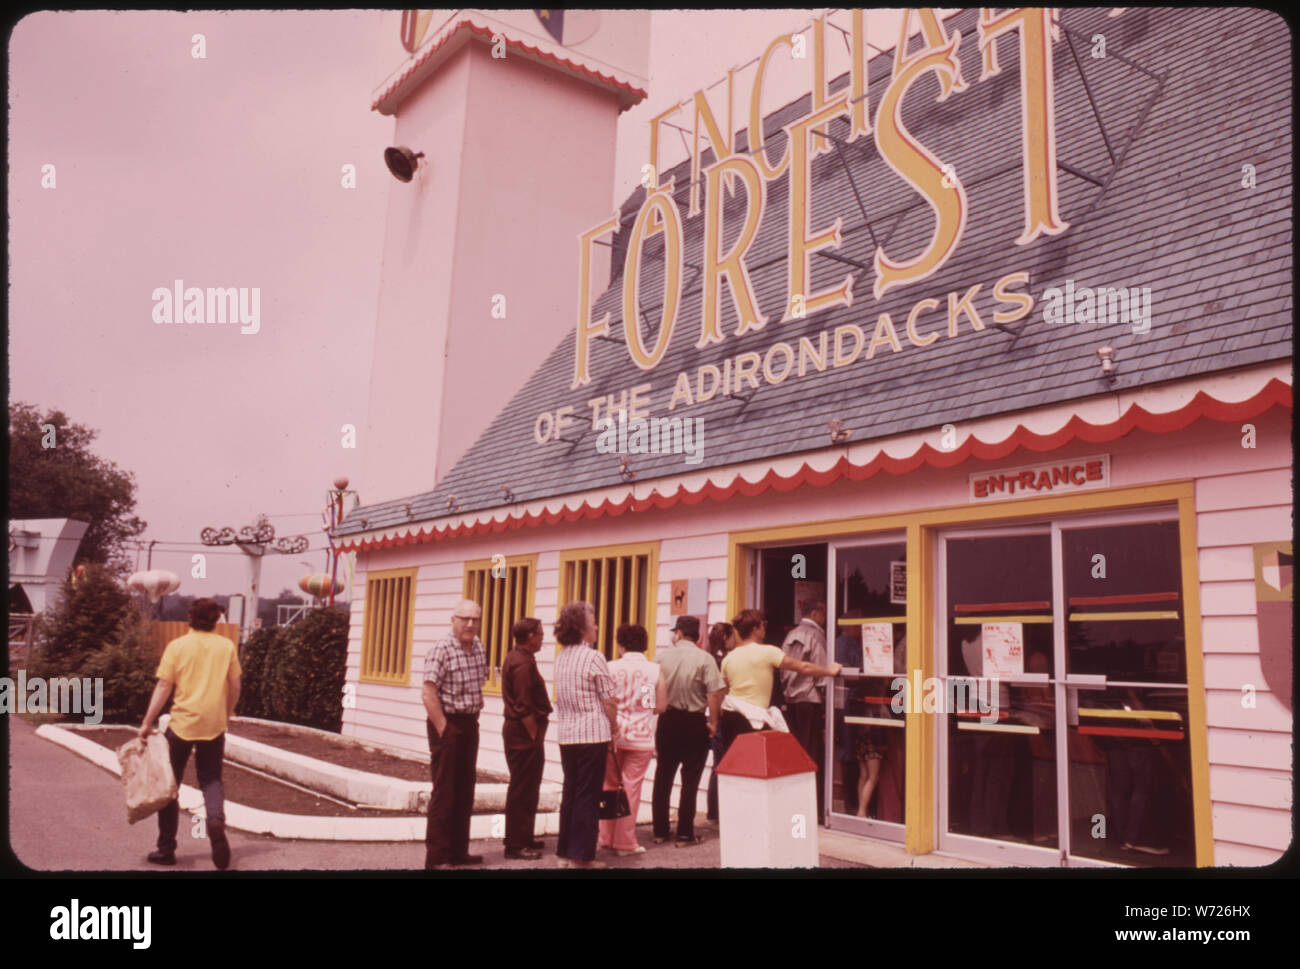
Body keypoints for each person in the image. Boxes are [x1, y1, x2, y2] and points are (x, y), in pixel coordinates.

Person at [138, 598, 242, 870]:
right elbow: (235, 686)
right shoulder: (226, 647)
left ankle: (166, 850)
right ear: (216, 619)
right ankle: (216, 821)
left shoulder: (178, 646)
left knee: (170, 785)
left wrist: (147, 722)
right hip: (214, 725)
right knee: (211, 779)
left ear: (190, 617)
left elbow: (163, 687)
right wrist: (227, 714)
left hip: (182, 724)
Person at [422, 599, 488, 869]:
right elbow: (428, 692)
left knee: (465, 790)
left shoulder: (478, 646)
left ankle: (459, 851)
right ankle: (437, 857)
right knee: (445, 791)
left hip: (469, 724)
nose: (470, 624)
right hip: (447, 725)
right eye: (464, 619)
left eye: (475, 619)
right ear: (453, 620)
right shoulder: (441, 649)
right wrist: (444, 730)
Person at [719, 608, 841, 755]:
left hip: (731, 716)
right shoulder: (768, 652)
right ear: (754, 629)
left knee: (734, 764)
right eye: (763, 624)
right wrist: (829, 671)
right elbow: (803, 667)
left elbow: (722, 692)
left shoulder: (729, 658)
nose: (765, 627)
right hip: (754, 719)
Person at [553, 601, 619, 869]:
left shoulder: (561, 657)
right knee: (587, 796)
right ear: (582, 627)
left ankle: (564, 853)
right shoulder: (594, 657)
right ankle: (582, 857)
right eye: (592, 621)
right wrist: (614, 727)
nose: (596, 626)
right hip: (592, 733)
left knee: (571, 792)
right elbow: (609, 700)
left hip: (567, 734)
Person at [653, 615, 725, 846]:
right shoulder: (705, 659)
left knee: (663, 775)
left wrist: (651, 714)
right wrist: (713, 723)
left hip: (667, 720)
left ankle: (660, 830)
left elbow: (648, 689)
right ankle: (685, 833)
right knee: (690, 779)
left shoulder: (660, 657)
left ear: (679, 634)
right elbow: (713, 694)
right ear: (699, 636)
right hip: (694, 721)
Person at [598, 623, 667, 856]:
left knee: (608, 785)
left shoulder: (609, 667)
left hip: (613, 735)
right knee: (631, 788)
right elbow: (658, 706)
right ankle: (625, 842)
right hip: (640, 737)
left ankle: (606, 837)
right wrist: (640, 709)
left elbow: (605, 700)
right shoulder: (652, 670)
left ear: (621, 644)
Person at [500, 617, 551, 860]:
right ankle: (515, 845)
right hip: (523, 734)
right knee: (522, 788)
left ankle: (523, 836)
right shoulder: (521, 663)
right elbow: (523, 706)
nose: (543, 639)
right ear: (530, 637)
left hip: (523, 733)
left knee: (529, 787)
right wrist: (533, 736)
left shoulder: (521, 657)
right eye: (540, 634)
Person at [780, 598, 829, 816]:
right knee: (811, 753)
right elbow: (820, 669)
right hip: (810, 699)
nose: (826, 618)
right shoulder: (815, 634)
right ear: (817, 612)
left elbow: (784, 667)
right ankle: (812, 808)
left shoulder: (791, 634)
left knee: (797, 752)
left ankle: (795, 804)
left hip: (792, 699)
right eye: (824, 613)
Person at [705, 621, 739, 824]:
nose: (735, 640)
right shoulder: (723, 661)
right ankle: (717, 813)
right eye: (733, 636)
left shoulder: (709, 658)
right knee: (722, 765)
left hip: (709, 715)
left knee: (717, 766)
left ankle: (713, 812)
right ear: (726, 637)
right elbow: (718, 693)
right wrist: (716, 720)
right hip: (720, 716)